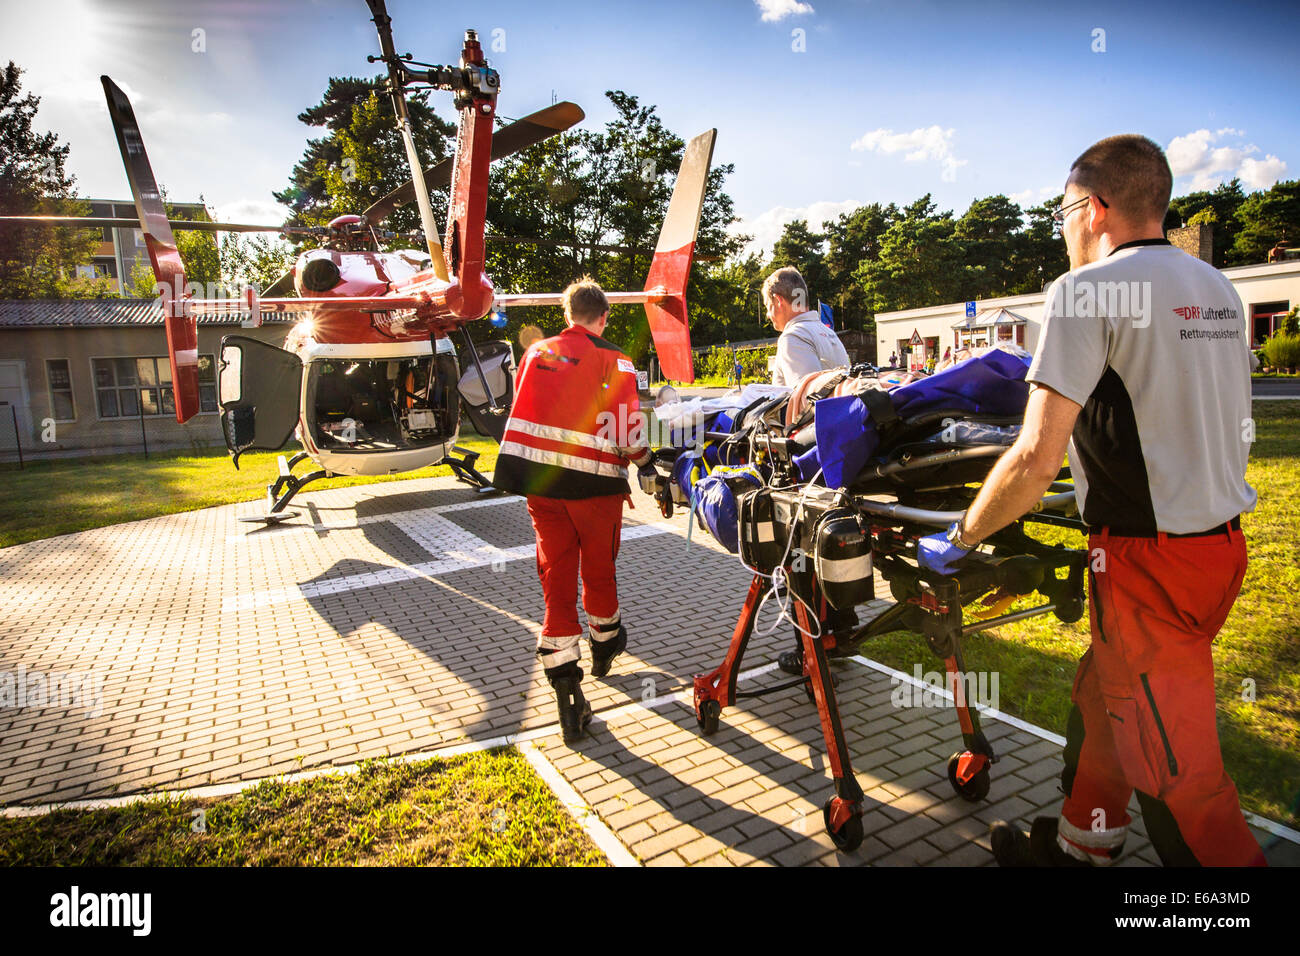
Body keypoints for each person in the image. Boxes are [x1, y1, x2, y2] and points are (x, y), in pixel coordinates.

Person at [918, 135, 1263, 867]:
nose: (1064, 228)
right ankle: (1083, 846)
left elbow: (1036, 458)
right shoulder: (1217, 288)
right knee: (1103, 702)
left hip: (1149, 565)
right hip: (1220, 550)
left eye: (1064, 212)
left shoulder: (1087, 292)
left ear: (1095, 208)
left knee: (1182, 781)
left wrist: (965, 534)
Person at [493, 279, 660, 744]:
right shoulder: (615, 358)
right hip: (595, 489)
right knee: (600, 568)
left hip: (541, 487)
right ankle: (606, 641)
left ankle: (568, 689)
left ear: (569, 315)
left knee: (556, 574)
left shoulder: (535, 353)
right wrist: (647, 464)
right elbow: (626, 428)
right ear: (603, 317)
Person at [764, 267, 850, 386]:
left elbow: (806, 400)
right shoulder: (829, 333)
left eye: (768, 306)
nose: (768, 315)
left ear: (778, 301)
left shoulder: (793, 337)